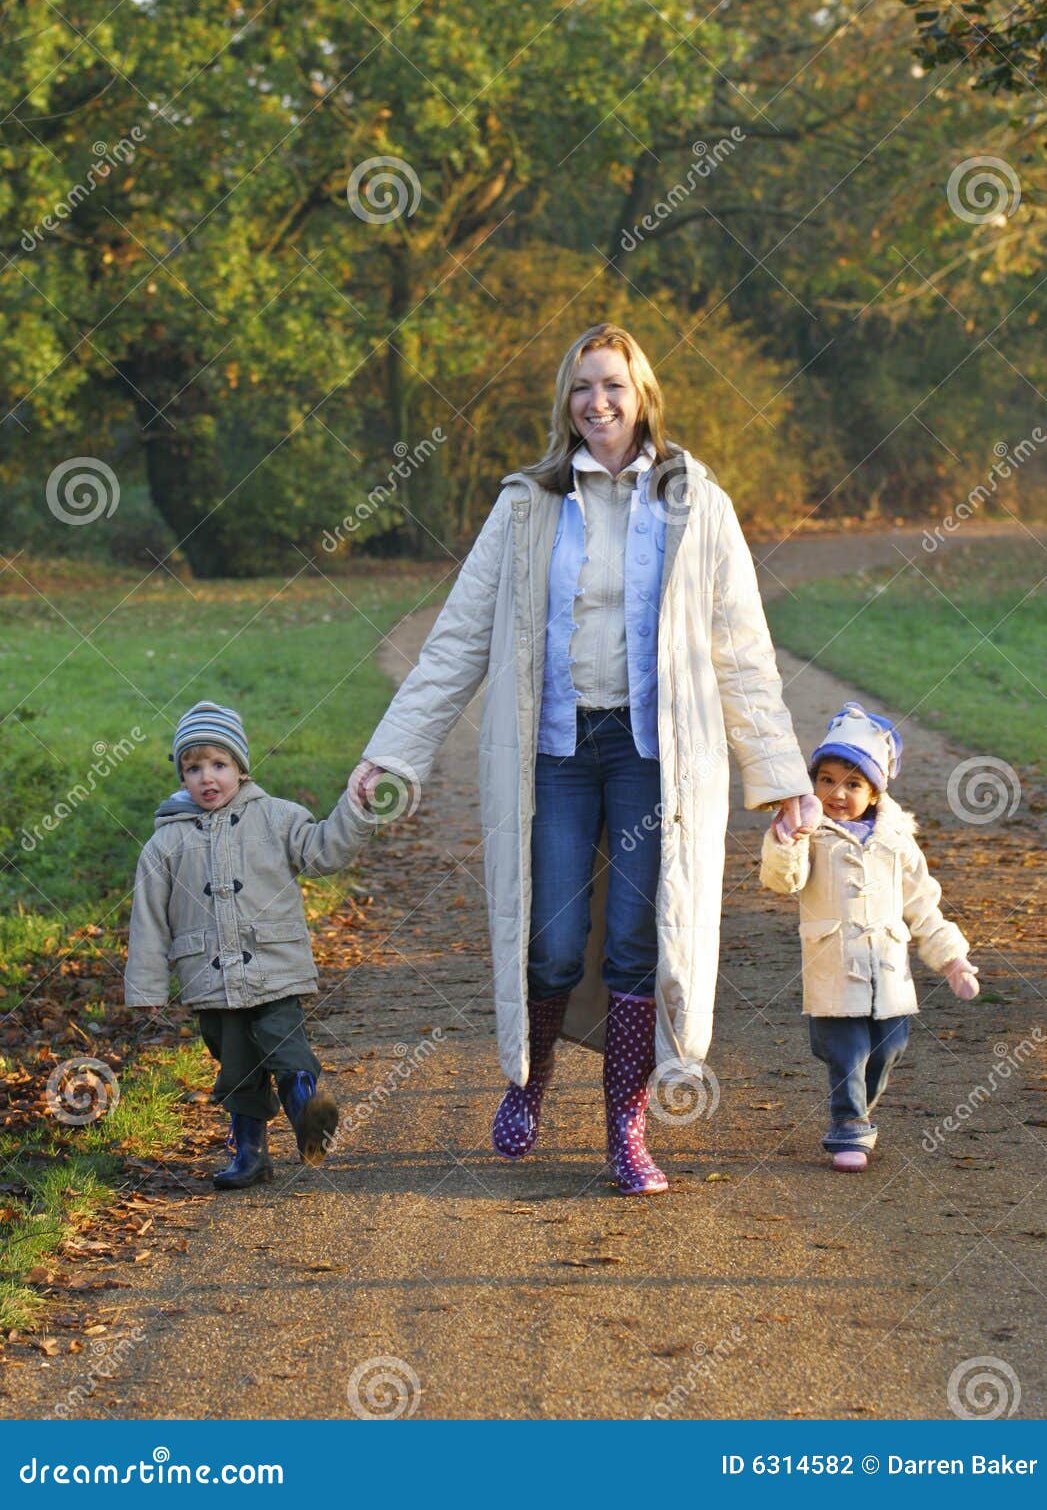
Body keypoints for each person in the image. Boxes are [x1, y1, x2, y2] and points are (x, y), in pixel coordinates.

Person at [350, 322, 818, 1196]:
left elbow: (740, 650)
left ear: (641, 394)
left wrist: (781, 778)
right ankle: (529, 1085)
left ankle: (625, 1132)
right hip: (558, 750)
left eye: (611, 385)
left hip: (651, 755)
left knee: (642, 941)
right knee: (556, 942)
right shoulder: (528, 503)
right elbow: (456, 640)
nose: (596, 401)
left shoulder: (694, 501)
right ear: (564, 403)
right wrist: (394, 752)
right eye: (579, 387)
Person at [125, 700, 374, 1190]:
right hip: (210, 979)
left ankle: (309, 1118)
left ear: (241, 767)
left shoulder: (277, 819)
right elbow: (149, 922)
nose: (207, 778)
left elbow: (325, 851)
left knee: (286, 1047)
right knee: (236, 1068)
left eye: (219, 764)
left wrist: (358, 809)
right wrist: (146, 986)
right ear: (181, 776)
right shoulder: (165, 843)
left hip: (274, 969)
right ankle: (251, 1155)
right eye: (193, 768)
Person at [760, 701, 980, 1172]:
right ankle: (849, 1125)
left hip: (888, 970)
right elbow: (785, 881)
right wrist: (787, 839)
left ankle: (859, 1112)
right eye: (826, 780)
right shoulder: (809, 832)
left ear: (876, 794)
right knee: (847, 1051)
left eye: (853, 784)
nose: (837, 793)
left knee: (888, 1047)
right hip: (834, 966)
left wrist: (953, 959)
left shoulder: (897, 841)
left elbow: (922, 903)